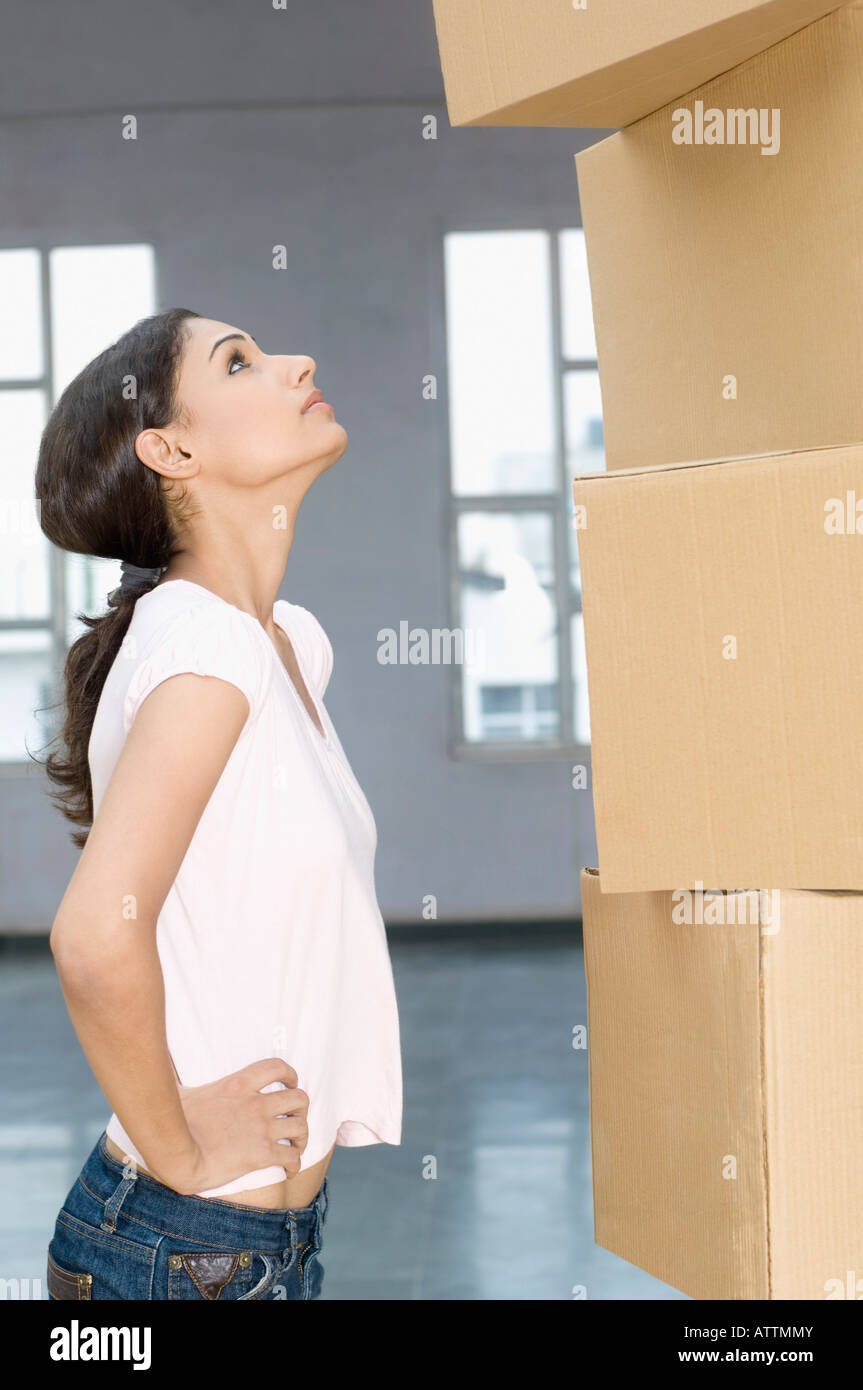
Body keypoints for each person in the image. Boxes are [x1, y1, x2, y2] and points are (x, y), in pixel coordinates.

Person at [35, 308, 403, 1300]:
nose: (298, 361)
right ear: (171, 448)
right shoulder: (208, 645)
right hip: (178, 1245)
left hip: (239, 1247)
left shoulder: (281, 643)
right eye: (238, 361)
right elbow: (93, 934)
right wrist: (184, 1149)